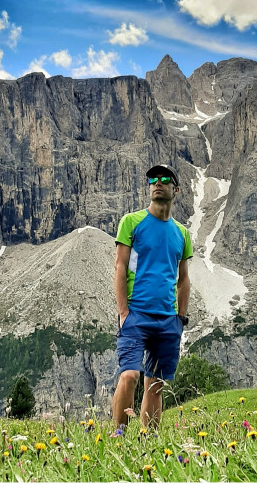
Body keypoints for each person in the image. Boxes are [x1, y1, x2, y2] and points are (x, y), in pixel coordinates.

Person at [112, 164, 192, 432]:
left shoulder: (182, 233)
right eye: (152, 179)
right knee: (130, 375)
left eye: (164, 179)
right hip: (136, 314)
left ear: (176, 189)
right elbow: (120, 267)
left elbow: (183, 279)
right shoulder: (132, 222)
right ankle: (118, 437)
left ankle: (149, 443)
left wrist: (180, 318)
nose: (157, 182)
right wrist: (123, 312)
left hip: (168, 320)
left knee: (155, 384)